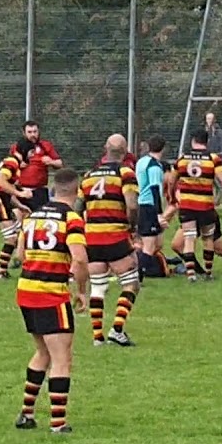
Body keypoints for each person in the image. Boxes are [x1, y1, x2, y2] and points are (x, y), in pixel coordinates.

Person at [14, 169, 89, 434]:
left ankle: (27, 413)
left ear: (53, 188)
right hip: (51, 293)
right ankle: (58, 423)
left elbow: (21, 254)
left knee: (42, 351)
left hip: (26, 289)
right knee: (61, 357)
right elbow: (79, 258)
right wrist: (81, 290)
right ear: (77, 191)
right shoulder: (72, 219)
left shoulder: (32, 216)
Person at [80, 135, 141, 348]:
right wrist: (132, 227)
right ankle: (117, 330)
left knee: (97, 287)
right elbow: (132, 205)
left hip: (93, 238)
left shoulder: (88, 176)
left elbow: (79, 208)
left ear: (105, 149)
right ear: (125, 151)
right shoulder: (125, 173)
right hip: (115, 236)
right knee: (131, 283)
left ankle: (97, 337)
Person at [175, 128, 222, 282]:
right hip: (205, 206)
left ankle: (191, 275)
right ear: (207, 141)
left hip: (187, 205)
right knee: (207, 238)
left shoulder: (182, 159)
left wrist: (172, 196)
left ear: (193, 141)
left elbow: (170, 180)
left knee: (189, 239)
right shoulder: (212, 159)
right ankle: (208, 273)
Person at [0, 146, 34, 279]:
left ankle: (0, 265)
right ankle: (1, 272)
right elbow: (1, 182)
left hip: (2, 200)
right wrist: (21, 193)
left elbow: (7, 190)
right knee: (11, 237)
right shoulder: (11, 162)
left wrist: (20, 205)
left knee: (18, 234)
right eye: (30, 152)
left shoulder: (15, 165)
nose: (31, 156)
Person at [135, 134, 175, 275]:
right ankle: (138, 275)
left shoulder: (141, 161)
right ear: (163, 149)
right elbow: (154, 189)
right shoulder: (154, 166)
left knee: (157, 243)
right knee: (149, 246)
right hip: (148, 207)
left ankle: (145, 268)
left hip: (141, 204)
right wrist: (158, 214)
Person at [15, 121, 63, 211]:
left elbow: (60, 163)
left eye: (35, 131)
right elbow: (8, 166)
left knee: (40, 218)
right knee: (20, 217)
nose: (33, 134)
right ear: (24, 133)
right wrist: (17, 164)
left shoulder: (45, 145)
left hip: (39, 190)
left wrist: (51, 161)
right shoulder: (17, 147)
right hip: (21, 189)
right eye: (29, 132)